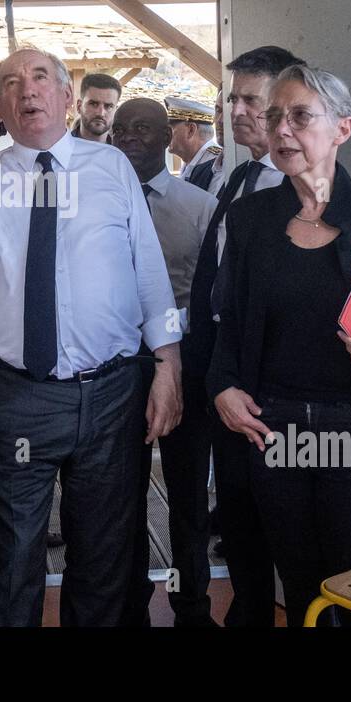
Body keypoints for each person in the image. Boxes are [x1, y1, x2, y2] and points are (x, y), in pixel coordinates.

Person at [0, 46, 183, 627]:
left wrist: (168, 366)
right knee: (13, 556)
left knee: (103, 558)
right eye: (10, 82)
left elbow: (148, 269)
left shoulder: (111, 168)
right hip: (21, 398)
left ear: (65, 97)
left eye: (39, 78)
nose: (26, 89)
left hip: (112, 394)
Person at [206, 63, 351, 626]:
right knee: (303, 594)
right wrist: (222, 386)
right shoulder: (250, 219)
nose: (282, 129)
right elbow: (230, 322)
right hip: (276, 432)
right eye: (274, 117)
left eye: (300, 116)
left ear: (343, 129)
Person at [194, 45, 304, 626]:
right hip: (226, 369)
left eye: (250, 100)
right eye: (231, 99)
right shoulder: (239, 177)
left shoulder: (309, 191)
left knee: (292, 523)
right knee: (237, 514)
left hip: (282, 384)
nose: (235, 111)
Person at [111, 97, 218, 627]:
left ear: (167, 136)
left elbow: (212, 291)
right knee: (120, 495)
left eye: (143, 128)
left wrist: (167, 337)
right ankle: (131, 606)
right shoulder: (95, 202)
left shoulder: (199, 206)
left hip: (184, 366)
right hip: (113, 369)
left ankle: (191, 607)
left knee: (187, 493)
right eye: (121, 129)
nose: (131, 137)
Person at [167, 96, 221, 190]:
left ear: (191, 130)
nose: (166, 134)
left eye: (170, 129)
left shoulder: (217, 164)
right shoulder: (191, 161)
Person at [71, 72, 121, 143]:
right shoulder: (58, 148)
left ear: (115, 111)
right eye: (93, 104)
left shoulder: (122, 149)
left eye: (108, 106)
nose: (100, 113)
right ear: (79, 106)